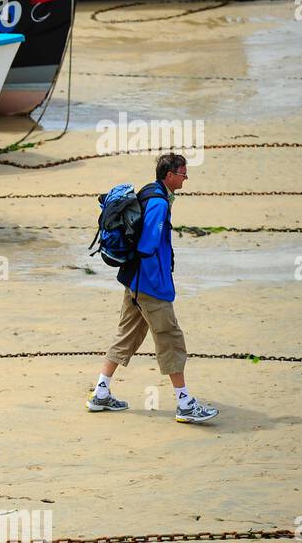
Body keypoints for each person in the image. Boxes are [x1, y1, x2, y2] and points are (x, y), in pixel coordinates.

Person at [88, 152, 218, 423]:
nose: (186, 178)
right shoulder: (159, 202)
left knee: (126, 336)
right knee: (170, 338)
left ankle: (101, 393)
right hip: (150, 285)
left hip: (133, 281)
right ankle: (184, 403)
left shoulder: (149, 191)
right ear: (169, 175)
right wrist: (159, 276)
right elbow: (148, 244)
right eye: (183, 173)